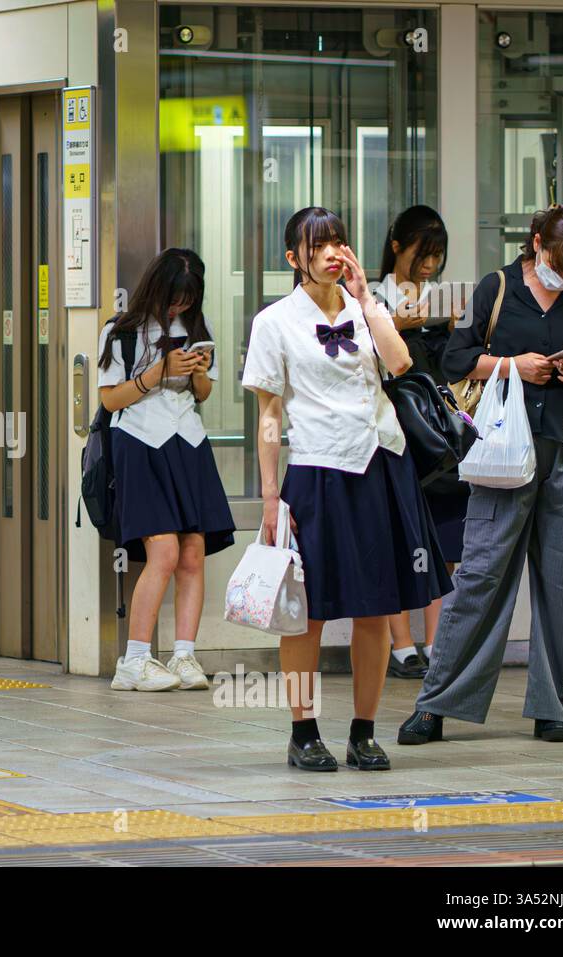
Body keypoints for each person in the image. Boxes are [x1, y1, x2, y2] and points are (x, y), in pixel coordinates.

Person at [399, 207, 563, 747]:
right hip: (502, 455)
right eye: (560, 263)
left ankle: (555, 708)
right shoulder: (497, 286)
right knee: (479, 578)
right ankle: (436, 705)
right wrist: (512, 365)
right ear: (537, 242)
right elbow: (456, 360)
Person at [241, 206, 451, 772]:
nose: (335, 252)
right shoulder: (274, 321)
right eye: (320, 245)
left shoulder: (366, 309)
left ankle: (364, 730)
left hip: (380, 464)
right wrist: (268, 497)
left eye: (339, 241)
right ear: (294, 258)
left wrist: (366, 299)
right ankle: (303, 729)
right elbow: (268, 414)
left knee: (376, 608)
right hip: (316, 469)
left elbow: (402, 362)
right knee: (306, 611)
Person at [97, 248, 235, 692]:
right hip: (139, 443)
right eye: (174, 298)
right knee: (164, 553)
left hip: (188, 442)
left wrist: (197, 371)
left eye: (188, 300)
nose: (179, 307)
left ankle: (184, 656)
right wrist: (157, 373)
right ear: (156, 288)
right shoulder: (119, 331)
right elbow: (109, 400)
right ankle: (134, 659)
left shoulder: (197, 330)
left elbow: (204, 394)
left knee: (193, 552)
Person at [374, 205, 468, 677]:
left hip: (437, 433)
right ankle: (401, 645)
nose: (429, 265)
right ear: (396, 247)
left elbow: (460, 366)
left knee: (444, 538)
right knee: (397, 533)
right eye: (421, 254)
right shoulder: (370, 299)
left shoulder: (443, 299)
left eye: (438, 257)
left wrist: (456, 329)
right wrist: (401, 324)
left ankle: (436, 643)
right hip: (391, 429)